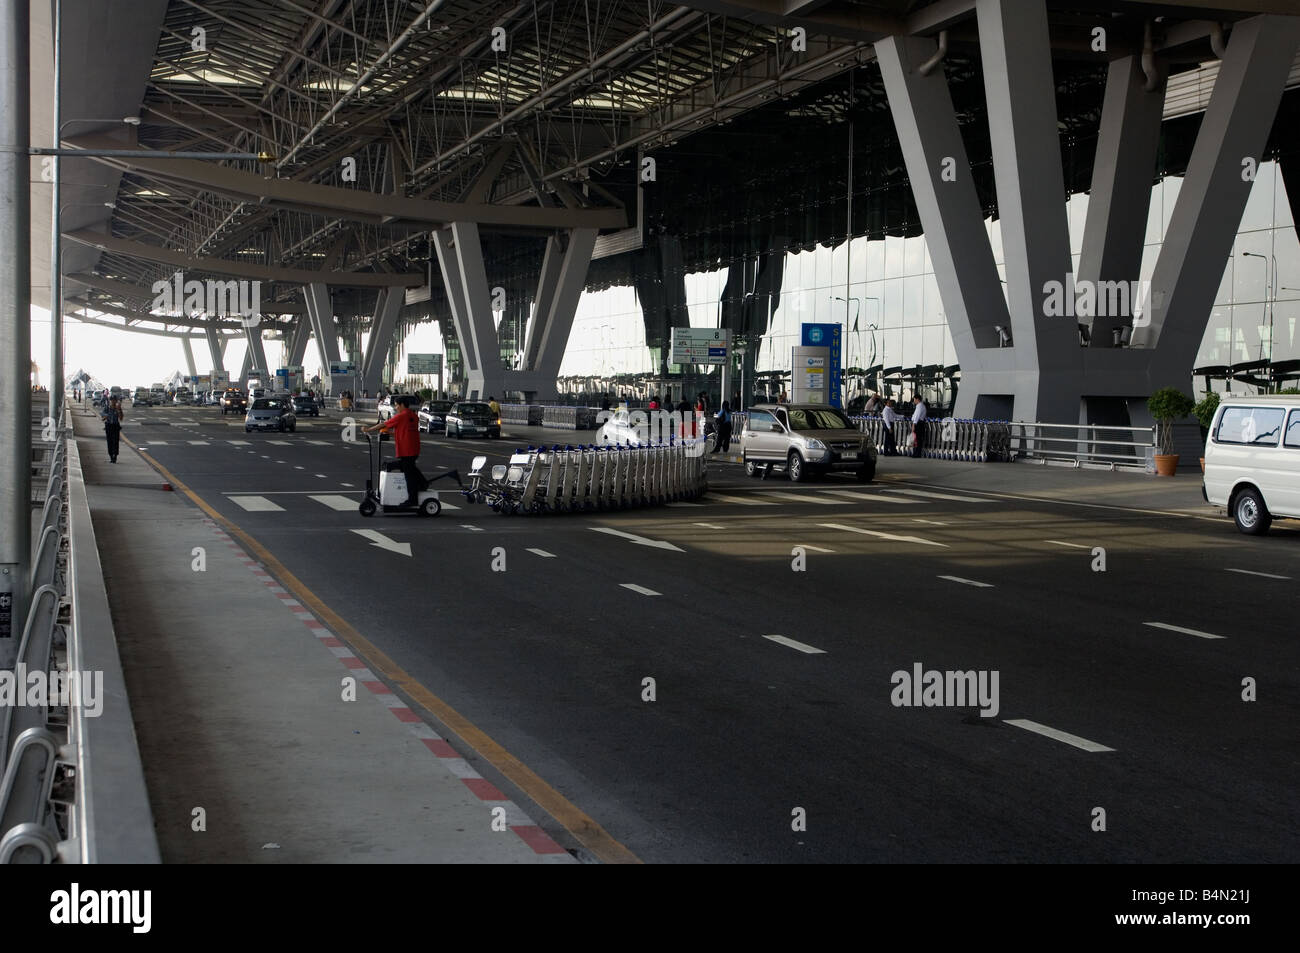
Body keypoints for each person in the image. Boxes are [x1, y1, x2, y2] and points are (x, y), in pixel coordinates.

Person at [363, 397, 426, 506]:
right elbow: (405, 431)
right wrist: (392, 433)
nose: (396, 408)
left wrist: (368, 429)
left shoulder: (402, 416)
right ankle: (423, 483)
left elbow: (384, 424)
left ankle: (412, 499)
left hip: (406, 449)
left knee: (409, 476)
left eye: (397, 405)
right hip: (414, 448)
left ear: (402, 405)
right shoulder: (413, 416)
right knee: (410, 468)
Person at [101, 395, 124, 463]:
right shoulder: (107, 408)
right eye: (111, 400)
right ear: (110, 401)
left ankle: (115, 456)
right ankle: (111, 456)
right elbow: (102, 417)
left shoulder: (118, 408)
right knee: (109, 442)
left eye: (114, 400)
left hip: (115, 426)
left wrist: (118, 410)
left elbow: (121, 418)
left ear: (116, 401)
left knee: (115, 442)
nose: (113, 402)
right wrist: (107, 415)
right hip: (109, 426)